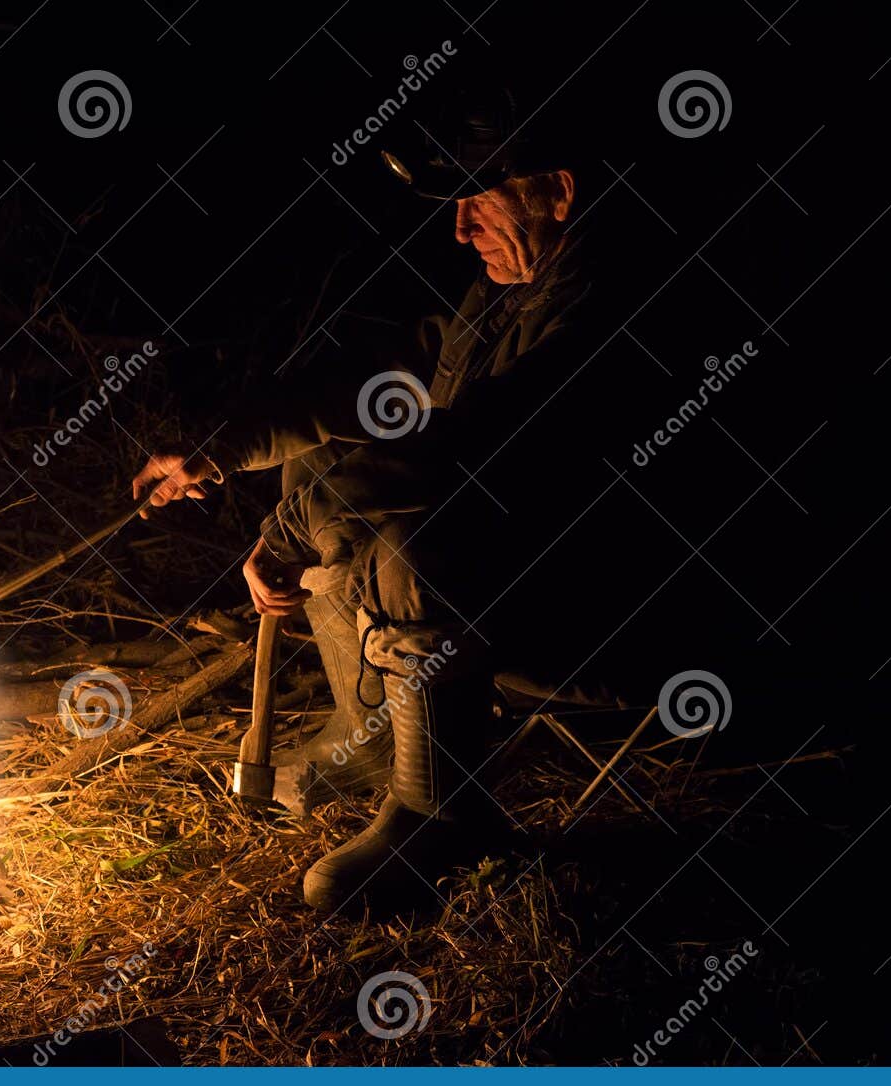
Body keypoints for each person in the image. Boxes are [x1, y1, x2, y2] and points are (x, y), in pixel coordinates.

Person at [133, 84, 670, 913]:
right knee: (314, 470)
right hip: (535, 568)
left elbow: (485, 446)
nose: (458, 228)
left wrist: (292, 527)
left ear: (558, 191)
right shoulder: (513, 289)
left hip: (625, 607)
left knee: (417, 543)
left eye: (479, 201)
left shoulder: (615, 302)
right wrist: (225, 450)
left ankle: (441, 816)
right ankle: (377, 734)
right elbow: (384, 387)